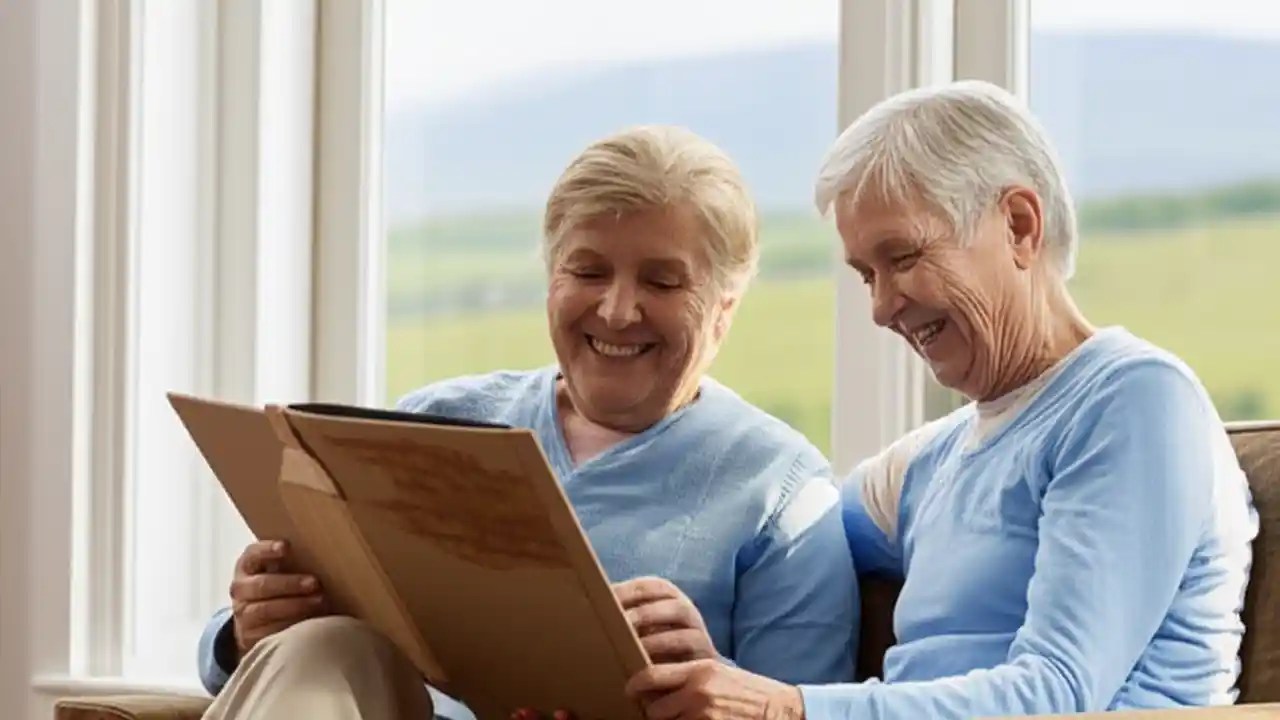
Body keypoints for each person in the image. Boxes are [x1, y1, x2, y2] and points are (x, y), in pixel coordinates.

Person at [618, 80, 1258, 719]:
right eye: (867, 275)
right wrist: (713, 671)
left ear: (1019, 226)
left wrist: (784, 709)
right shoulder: (933, 460)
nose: (880, 307)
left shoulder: (1133, 400)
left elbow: (1059, 693)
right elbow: (785, 523)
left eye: (902, 257)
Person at [194, 125, 858, 720]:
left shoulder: (782, 491)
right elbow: (234, 661)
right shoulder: (437, 420)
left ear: (724, 308)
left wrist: (709, 682)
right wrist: (246, 631)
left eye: (662, 282)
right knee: (324, 645)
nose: (617, 310)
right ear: (550, 278)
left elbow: (805, 705)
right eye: (588, 271)